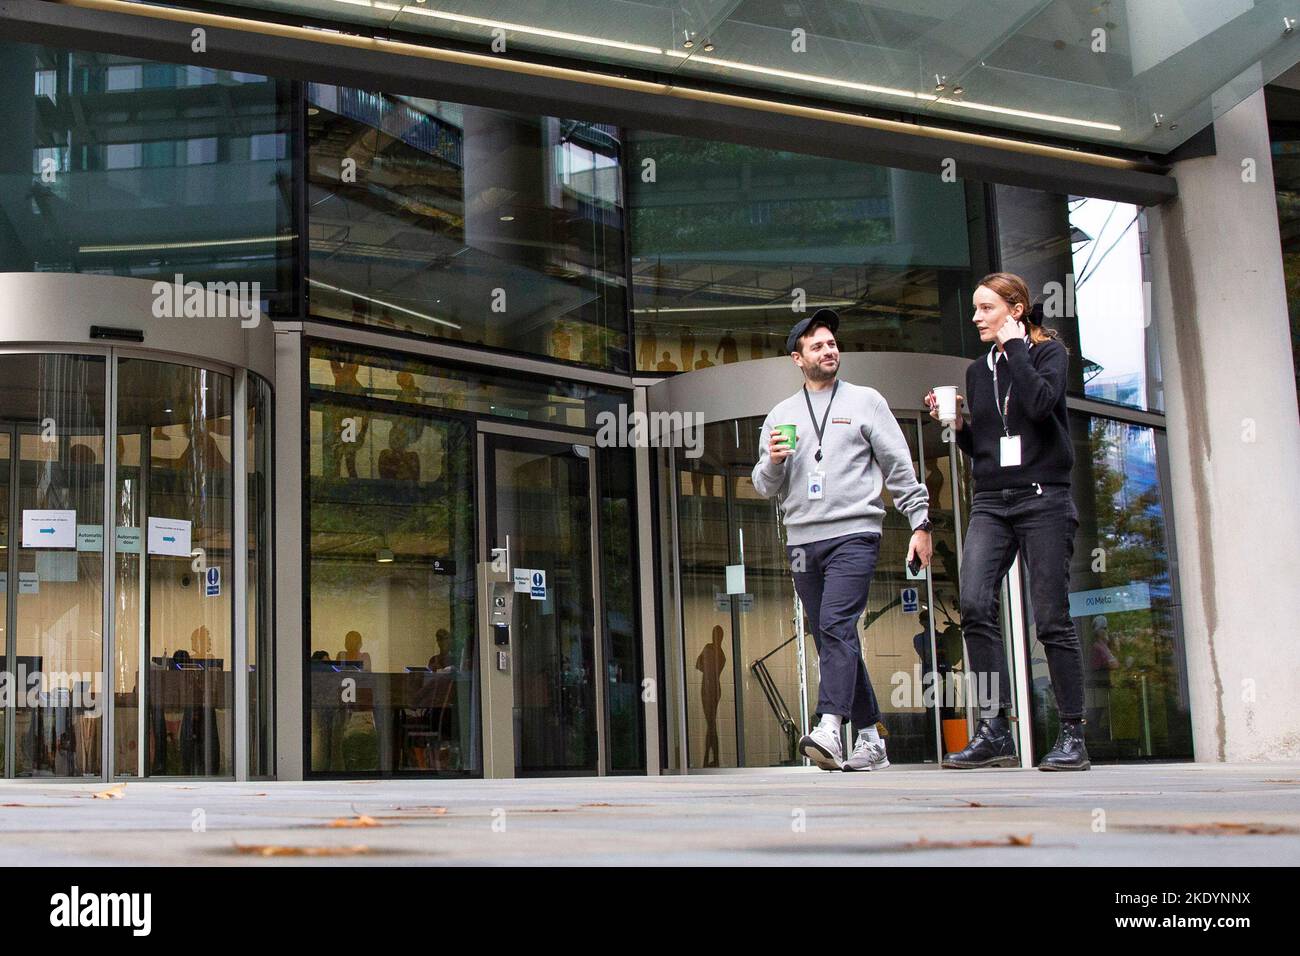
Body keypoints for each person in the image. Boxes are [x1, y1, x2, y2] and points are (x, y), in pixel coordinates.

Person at [752, 309, 933, 771]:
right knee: (832, 635)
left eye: (832, 344)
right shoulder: (780, 415)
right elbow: (763, 485)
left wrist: (920, 522)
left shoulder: (866, 401)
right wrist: (773, 460)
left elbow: (898, 466)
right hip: (801, 541)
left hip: (855, 533)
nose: (829, 350)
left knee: (834, 624)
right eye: (818, 346)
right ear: (798, 358)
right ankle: (871, 738)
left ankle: (830, 726)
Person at [926, 271, 1090, 771]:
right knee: (974, 603)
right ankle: (995, 730)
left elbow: (1041, 406)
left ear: (1015, 310)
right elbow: (984, 450)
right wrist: (956, 426)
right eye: (976, 309)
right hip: (993, 501)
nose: (976, 317)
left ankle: (1073, 736)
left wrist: (1016, 348)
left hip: (1044, 498)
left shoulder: (1046, 355)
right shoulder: (979, 373)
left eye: (986, 308)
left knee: (1051, 618)